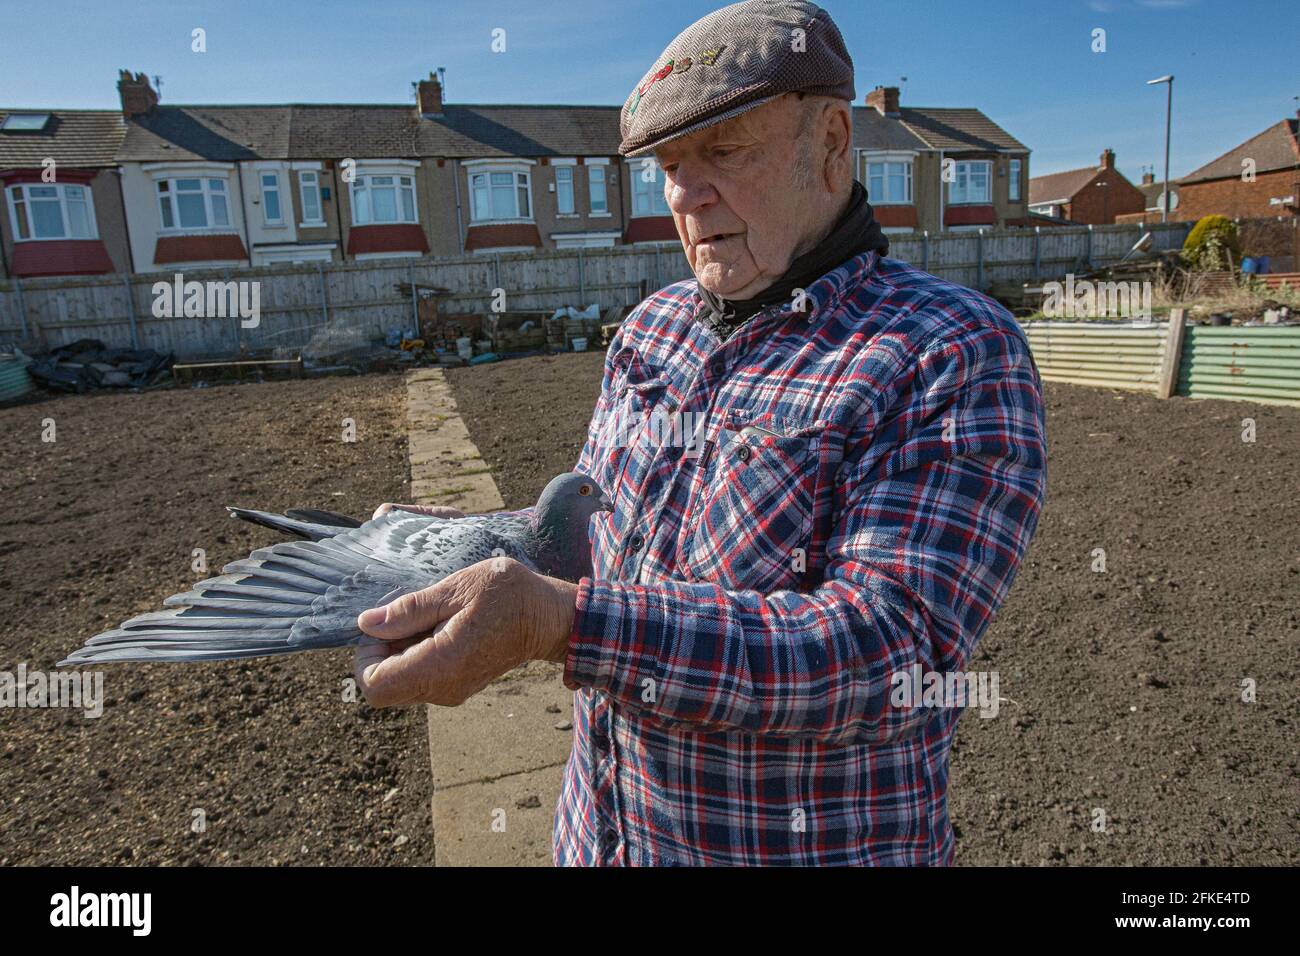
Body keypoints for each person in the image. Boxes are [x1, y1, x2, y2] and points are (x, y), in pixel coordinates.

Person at [356, 0, 1046, 866]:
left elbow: (883, 650)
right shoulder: (652, 331)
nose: (685, 192)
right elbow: (595, 549)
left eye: (725, 151)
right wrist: (446, 551)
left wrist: (564, 626)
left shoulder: (945, 350)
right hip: (602, 839)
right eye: (670, 165)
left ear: (832, 142)